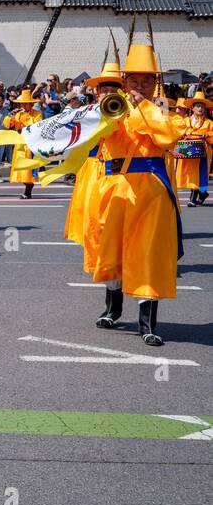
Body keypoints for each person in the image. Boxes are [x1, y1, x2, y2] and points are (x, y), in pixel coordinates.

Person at [91, 42, 180, 346]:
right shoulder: (116, 108)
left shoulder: (160, 111)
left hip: (151, 190)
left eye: (146, 81)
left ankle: (148, 325)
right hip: (117, 187)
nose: (139, 86)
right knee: (113, 249)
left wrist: (144, 109)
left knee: (147, 254)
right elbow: (102, 137)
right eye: (134, 81)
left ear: (155, 84)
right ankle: (112, 310)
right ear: (125, 82)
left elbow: (168, 138)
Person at [67, 62, 122, 250]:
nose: (108, 94)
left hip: (117, 170)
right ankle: (94, 251)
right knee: (90, 212)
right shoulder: (88, 113)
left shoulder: (126, 113)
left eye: (112, 90)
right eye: (104, 90)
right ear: (98, 93)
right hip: (92, 167)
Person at [172, 90, 211, 206]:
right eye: (198, 106)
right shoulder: (185, 121)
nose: (200, 109)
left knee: (197, 173)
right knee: (189, 174)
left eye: (202, 107)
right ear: (192, 108)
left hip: (202, 151)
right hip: (186, 150)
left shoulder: (209, 123)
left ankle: (192, 199)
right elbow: (177, 131)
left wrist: (207, 135)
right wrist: (184, 134)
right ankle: (202, 193)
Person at [3, 88, 43, 198]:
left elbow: (36, 125)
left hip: (31, 142)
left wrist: (24, 118)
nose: (23, 106)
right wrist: (10, 115)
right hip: (20, 142)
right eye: (22, 104)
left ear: (30, 104)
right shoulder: (17, 114)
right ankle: (28, 186)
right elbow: (7, 125)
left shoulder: (37, 114)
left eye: (26, 104)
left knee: (29, 167)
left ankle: (28, 190)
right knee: (20, 167)